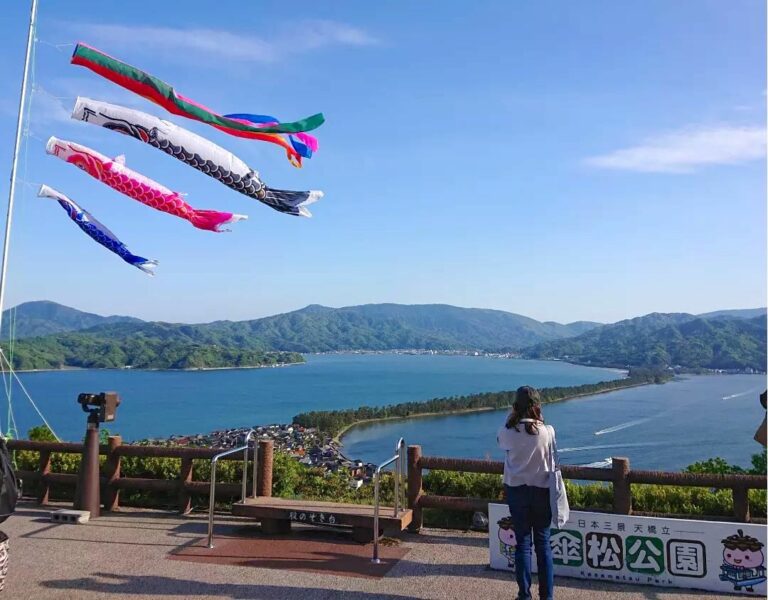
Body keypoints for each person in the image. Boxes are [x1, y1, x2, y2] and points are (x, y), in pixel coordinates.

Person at [497, 386, 555, 600]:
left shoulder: (508, 432)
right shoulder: (547, 432)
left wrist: (511, 415)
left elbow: (500, 440)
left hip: (517, 492)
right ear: (538, 407)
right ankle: (547, 597)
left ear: (515, 407)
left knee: (522, 543)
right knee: (543, 544)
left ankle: (524, 595)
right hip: (542, 492)